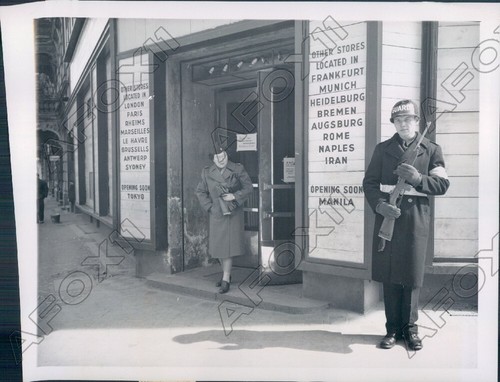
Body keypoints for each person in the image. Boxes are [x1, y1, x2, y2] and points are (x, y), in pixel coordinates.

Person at [363, 100, 450, 351]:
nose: (403, 123)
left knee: (411, 277)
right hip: (388, 218)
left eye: (408, 119)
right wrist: (380, 206)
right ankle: (392, 330)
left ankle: (411, 331)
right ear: (394, 123)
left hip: (415, 219)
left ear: (416, 122)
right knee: (390, 276)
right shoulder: (382, 149)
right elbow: (369, 183)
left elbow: (442, 185)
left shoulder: (431, 149)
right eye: (398, 120)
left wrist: (418, 179)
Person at [195, 148, 253, 294]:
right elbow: (200, 191)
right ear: (213, 160)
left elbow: (248, 188)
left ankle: (226, 278)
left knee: (227, 248)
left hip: (232, 213)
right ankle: (226, 274)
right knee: (218, 247)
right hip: (217, 213)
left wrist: (234, 196)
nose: (221, 160)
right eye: (217, 158)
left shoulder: (238, 168)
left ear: (227, 155)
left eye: (223, 157)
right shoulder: (207, 172)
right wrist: (210, 207)